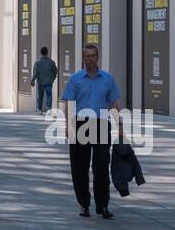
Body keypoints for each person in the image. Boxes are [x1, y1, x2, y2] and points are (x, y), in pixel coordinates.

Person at [62, 43, 122, 219]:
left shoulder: (108, 78)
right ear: (83, 58)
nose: (90, 59)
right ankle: (84, 204)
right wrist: (68, 127)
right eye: (87, 56)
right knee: (79, 167)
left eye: (93, 56)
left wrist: (120, 126)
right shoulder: (75, 78)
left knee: (102, 165)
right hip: (80, 123)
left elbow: (113, 103)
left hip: (101, 124)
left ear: (98, 57)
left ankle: (102, 205)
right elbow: (69, 104)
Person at [31, 46, 58, 114]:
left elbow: (35, 73)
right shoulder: (51, 62)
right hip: (49, 81)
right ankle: (48, 108)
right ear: (47, 52)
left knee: (40, 96)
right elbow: (55, 71)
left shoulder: (37, 62)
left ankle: (39, 109)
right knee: (49, 95)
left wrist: (32, 80)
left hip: (40, 82)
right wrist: (53, 77)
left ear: (41, 53)